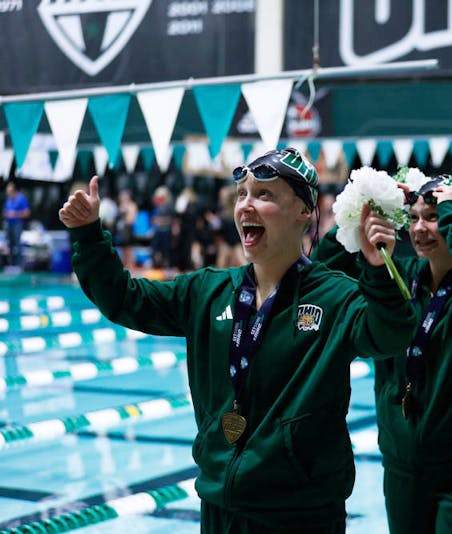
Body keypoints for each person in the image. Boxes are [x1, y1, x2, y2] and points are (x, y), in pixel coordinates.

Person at [58, 147, 417, 533]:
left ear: (304, 212)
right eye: (242, 193)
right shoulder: (207, 291)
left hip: (301, 514)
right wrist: (90, 236)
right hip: (220, 508)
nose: (246, 205)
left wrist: (379, 271)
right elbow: (126, 300)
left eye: (265, 195)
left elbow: (390, 335)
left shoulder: (334, 297)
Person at [316, 174, 452, 533]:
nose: (421, 228)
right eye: (413, 218)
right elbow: (322, 274)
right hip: (404, 464)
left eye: (435, 217)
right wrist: (363, 208)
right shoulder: (397, 278)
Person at [3, 180, 30, 268]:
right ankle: (11, 264)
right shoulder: (8, 199)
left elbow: (27, 213)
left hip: (17, 224)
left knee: (17, 244)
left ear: (13, 189)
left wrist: (15, 214)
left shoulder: (21, 198)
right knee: (9, 244)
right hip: (8, 224)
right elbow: (5, 211)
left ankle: (19, 265)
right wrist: (7, 214)